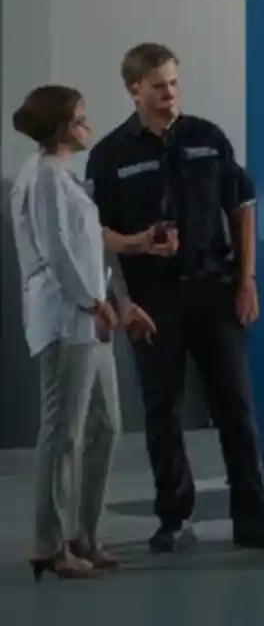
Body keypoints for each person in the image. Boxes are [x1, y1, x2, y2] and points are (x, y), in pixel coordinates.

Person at [85, 43, 264, 552]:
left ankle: (252, 516)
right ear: (134, 90)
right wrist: (123, 286)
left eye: (174, 83)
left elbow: (242, 205)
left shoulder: (207, 139)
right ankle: (173, 518)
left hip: (214, 290)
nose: (169, 94)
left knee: (236, 405)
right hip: (151, 300)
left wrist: (246, 280)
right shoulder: (110, 156)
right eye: (158, 86)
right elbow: (94, 232)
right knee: (163, 411)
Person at [9, 85, 162, 580]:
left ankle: (84, 534)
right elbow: (57, 252)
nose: (87, 125)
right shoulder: (43, 178)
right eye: (79, 118)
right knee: (62, 432)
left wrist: (121, 301)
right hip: (66, 319)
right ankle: (49, 544)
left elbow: (91, 245)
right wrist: (94, 304)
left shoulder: (66, 178)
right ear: (59, 128)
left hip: (93, 319)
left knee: (104, 427)